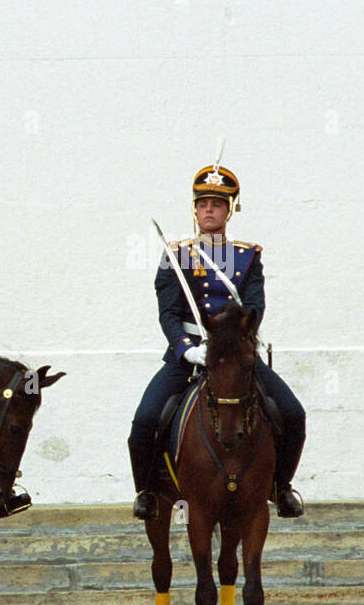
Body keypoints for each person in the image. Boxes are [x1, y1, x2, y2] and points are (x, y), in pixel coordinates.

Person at [128, 162, 306, 519]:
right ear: (194, 210)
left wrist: (233, 341)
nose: (209, 209)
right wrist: (187, 348)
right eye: (203, 203)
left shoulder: (248, 255)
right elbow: (168, 312)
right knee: (145, 421)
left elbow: (255, 305)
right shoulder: (176, 256)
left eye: (218, 203)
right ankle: (146, 491)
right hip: (190, 354)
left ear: (229, 210)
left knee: (292, 413)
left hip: (235, 355)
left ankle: (280, 487)